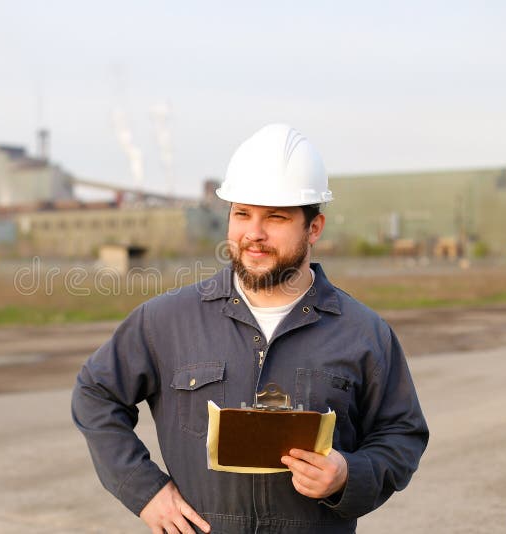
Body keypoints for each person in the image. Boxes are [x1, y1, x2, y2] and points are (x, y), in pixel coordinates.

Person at [72, 124, 429, 533]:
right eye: (242, 214)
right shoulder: (167, 321)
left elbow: (402, 435)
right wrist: (146, 492)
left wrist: (348, 473)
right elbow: (95, 393)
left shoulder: (363, 333)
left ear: (314, 228)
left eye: (275, 217)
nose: (254, 234)